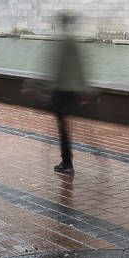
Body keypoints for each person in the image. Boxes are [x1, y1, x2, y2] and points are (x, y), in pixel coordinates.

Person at [48, 12, 90, 174]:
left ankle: (67, 162)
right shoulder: (71, 41)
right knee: (66, 127)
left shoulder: (63, 41)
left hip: (61, 91)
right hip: (70, 90)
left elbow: (56, 67)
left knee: (63, 128)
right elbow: (80, 67)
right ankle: (67, 160)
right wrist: (83, 88)